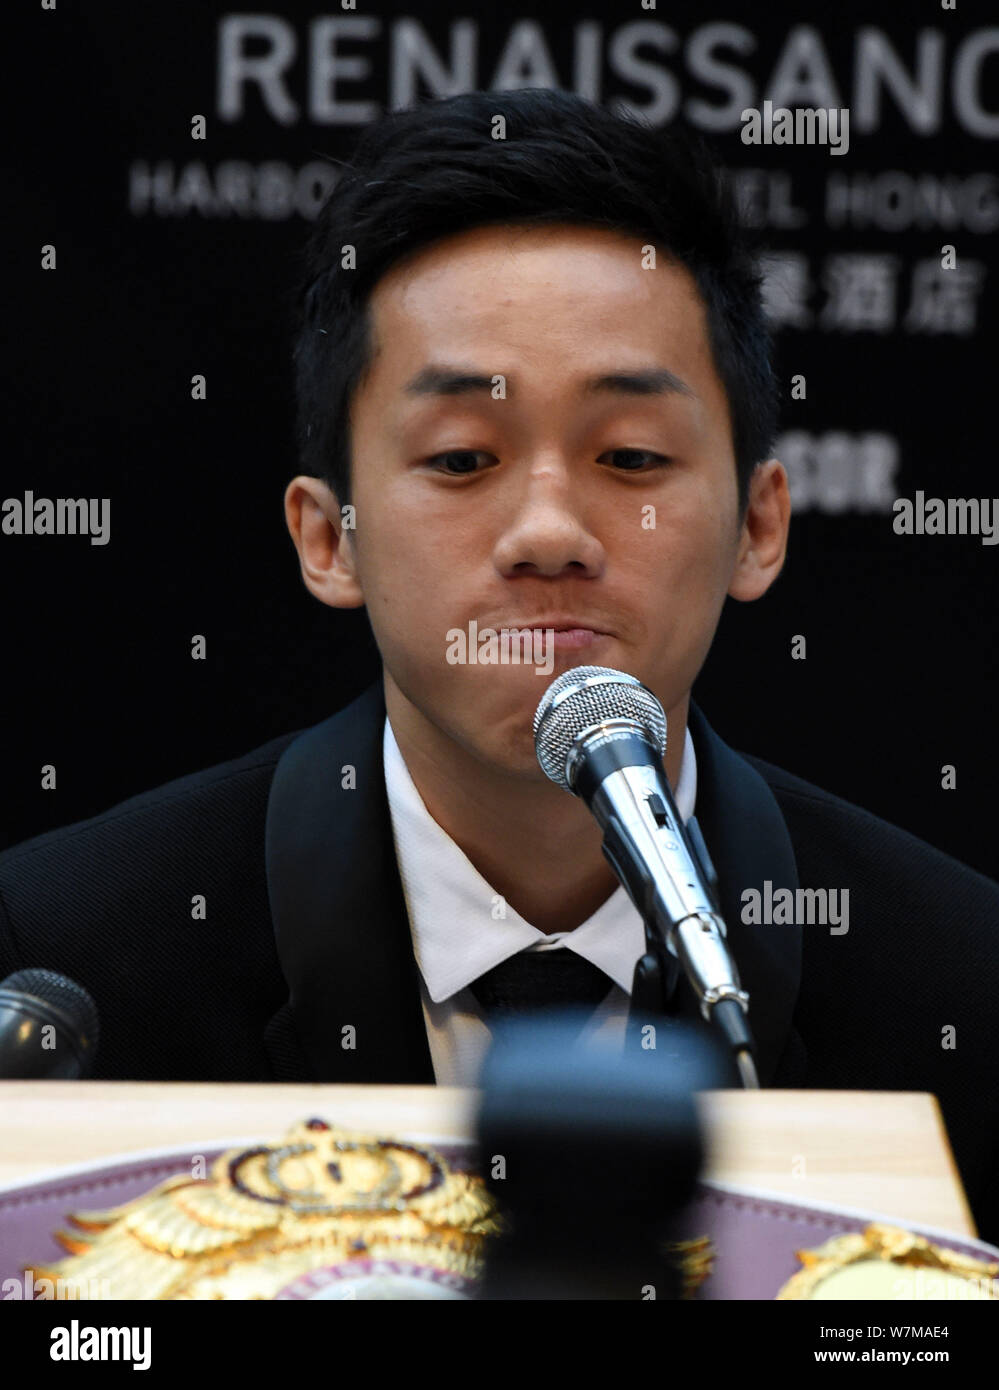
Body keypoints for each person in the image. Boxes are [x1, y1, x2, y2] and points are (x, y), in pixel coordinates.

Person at [1, 90, 997, 1243]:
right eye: (464, 457)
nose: (549, 533)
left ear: (759, 525)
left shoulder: (956, 990)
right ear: (330, 538)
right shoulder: (65, 964)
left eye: (629, 455)